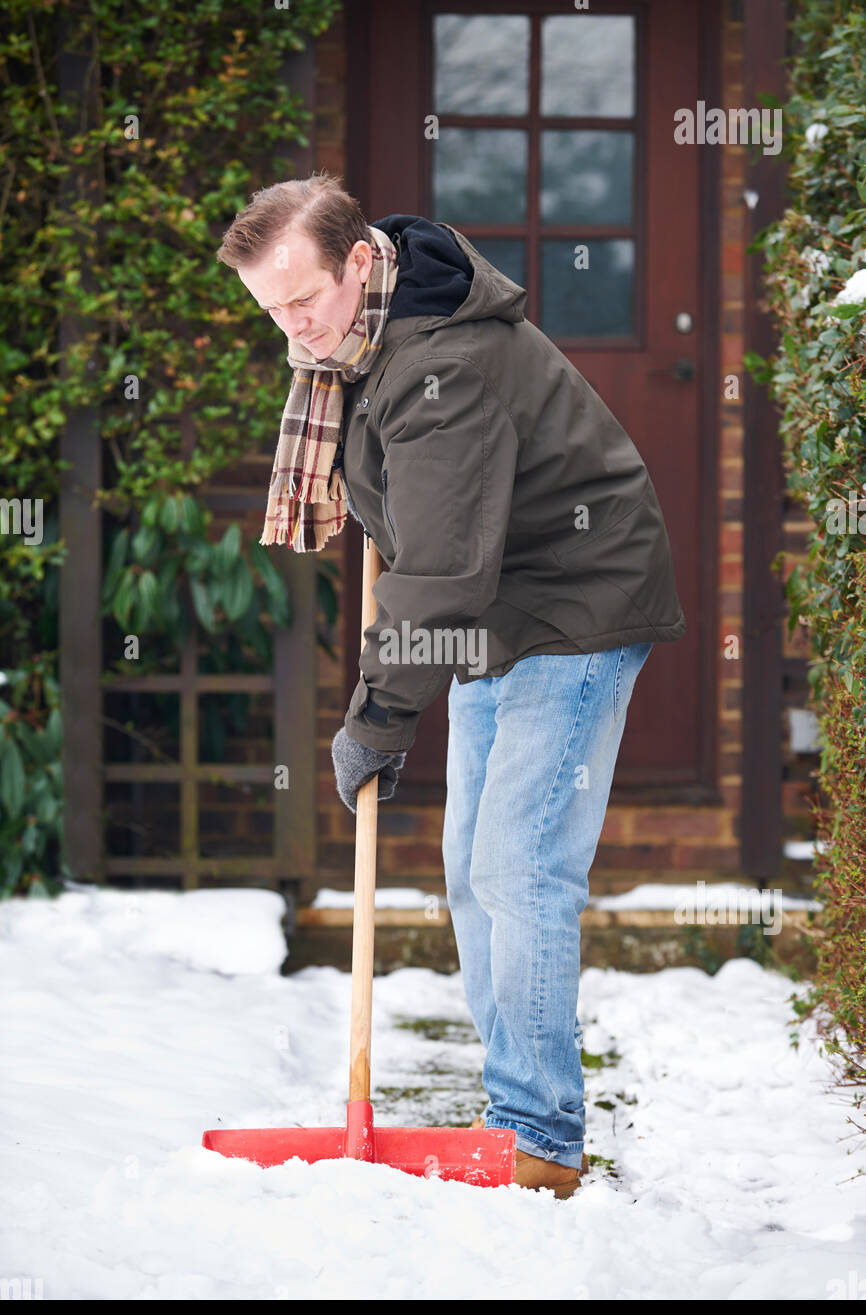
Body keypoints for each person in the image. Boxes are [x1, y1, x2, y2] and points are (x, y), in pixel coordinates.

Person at [217, 173, 686, 1198]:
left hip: (569, 608)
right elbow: (427, 546)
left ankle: (538, 1135)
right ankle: (513, 1104)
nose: (292, 328)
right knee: (474, 865)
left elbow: (439, 574)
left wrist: (378, 716)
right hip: (493, 614)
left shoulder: (447, 363)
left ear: (359, 261)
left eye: (303, 300)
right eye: (272, 312)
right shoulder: (362, 342)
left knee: (518, 867)